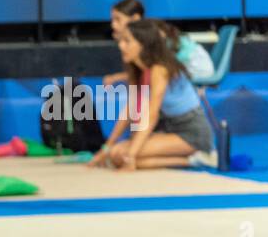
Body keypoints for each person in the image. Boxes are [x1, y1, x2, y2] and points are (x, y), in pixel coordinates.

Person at [88, 18, 215, 171]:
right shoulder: (139, 70)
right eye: (121, 41)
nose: (121, 46)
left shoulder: (159, 69)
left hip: (191, 132)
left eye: (127, 42)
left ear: (143, 45)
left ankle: (198, 157)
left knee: (123, 155)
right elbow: (129, 111)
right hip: (169, 128)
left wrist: (131, 155)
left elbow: (152, 115)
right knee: (115, 154)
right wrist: (106, 148)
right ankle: (191, 159)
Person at [103, 0, 213, 86]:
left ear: (135, 18)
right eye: (112, 20)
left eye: (118, 19)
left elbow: (151, 71)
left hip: (197, 67)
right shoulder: (139, 36)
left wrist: (116, 77)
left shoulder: (150, 33)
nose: (113, 25)